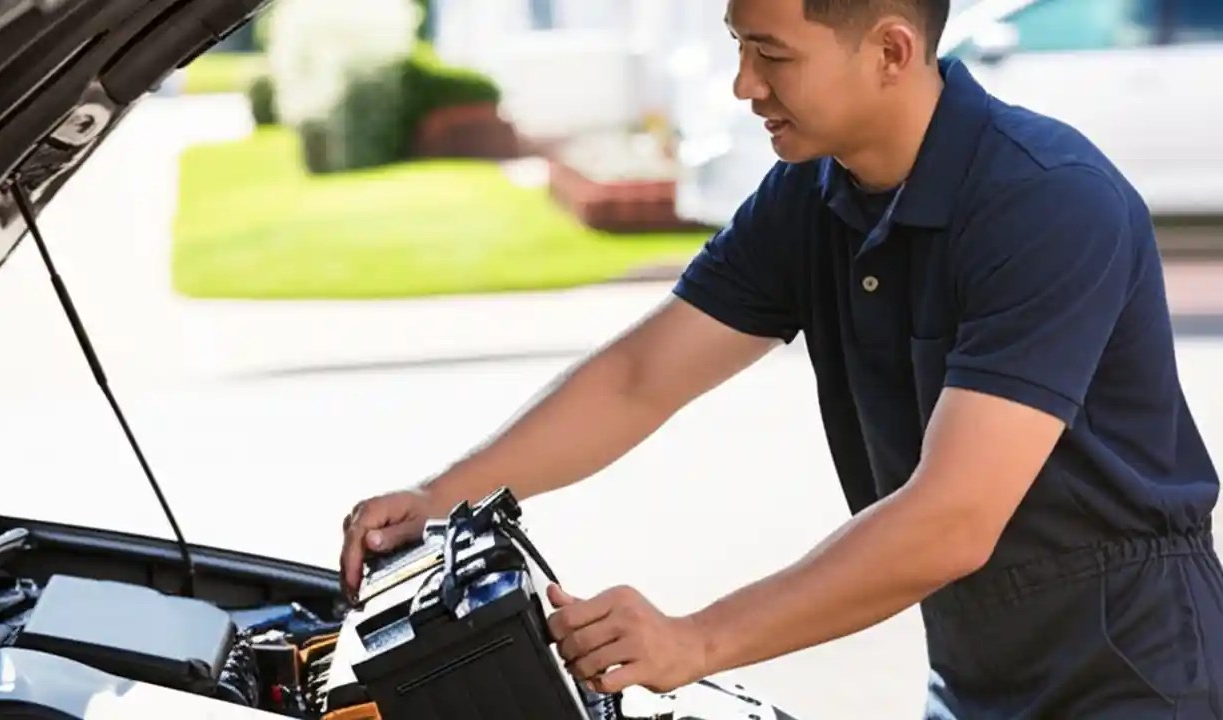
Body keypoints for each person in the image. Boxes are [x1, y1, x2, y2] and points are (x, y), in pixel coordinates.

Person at [341, 0, 1223, 716]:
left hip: (1133, 670)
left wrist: (697, 640)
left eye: (772, 54)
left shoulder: (1045, 202)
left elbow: (953, 518)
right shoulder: (810, 195)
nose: (742, 84)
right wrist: (441, 495)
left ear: (889, 49)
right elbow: (639, 378)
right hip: (974, 668)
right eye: (736, 44)